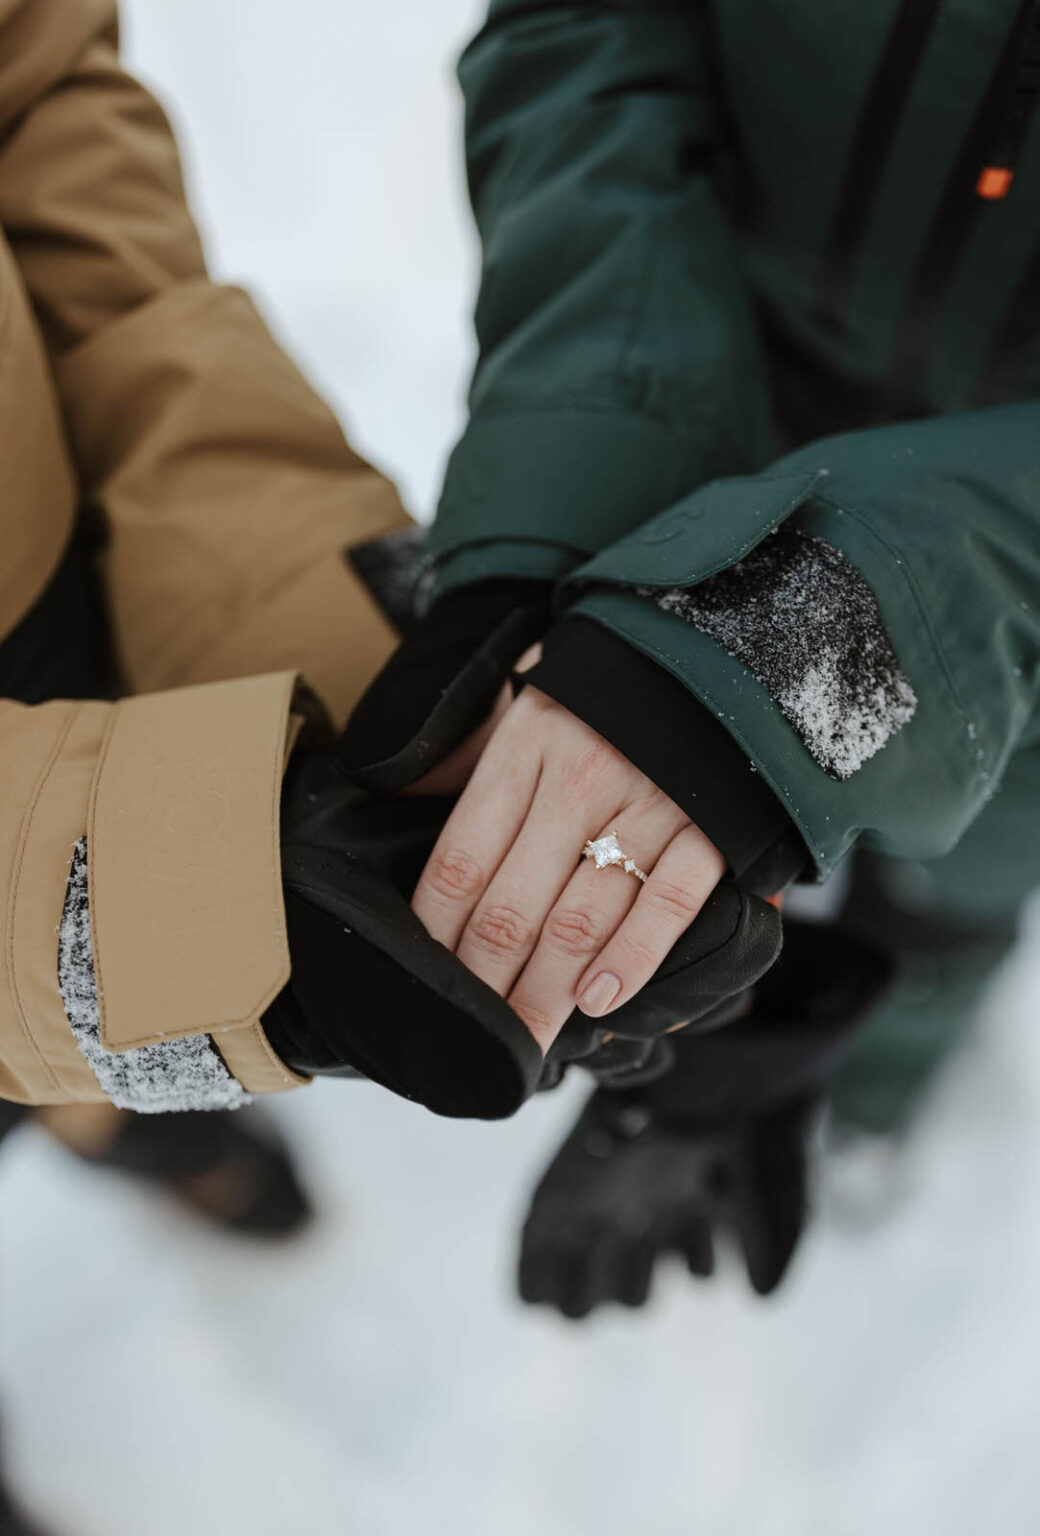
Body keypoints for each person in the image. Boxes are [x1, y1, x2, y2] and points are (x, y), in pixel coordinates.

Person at [340, 0, 1040, 1312]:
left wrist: (807, 627)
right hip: (720, 361)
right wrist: (565, 515)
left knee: (965, 886)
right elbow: (585, 29)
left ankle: (877, 1082)